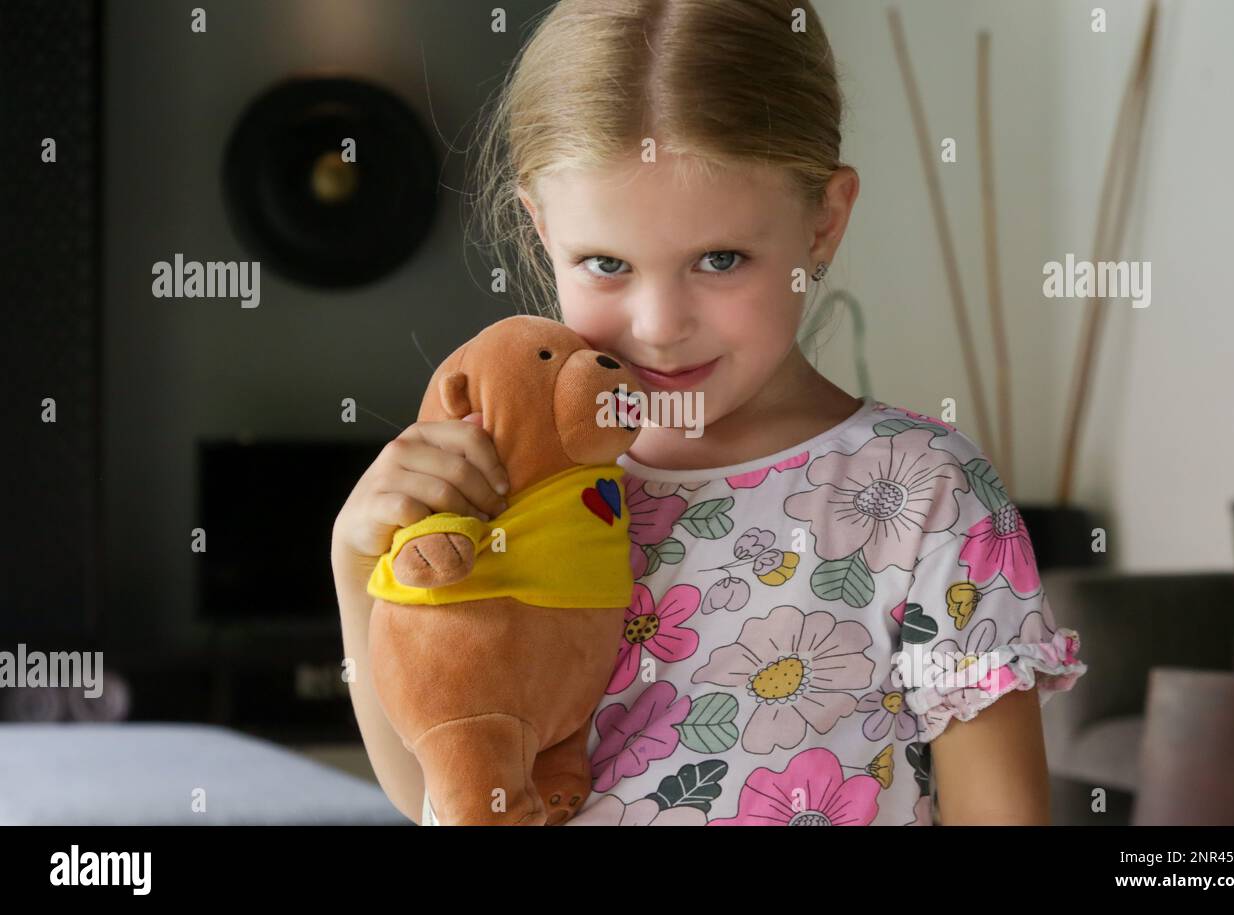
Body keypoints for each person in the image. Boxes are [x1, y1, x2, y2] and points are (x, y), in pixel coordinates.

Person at [332, 0, 1087, 826]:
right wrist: (354, 560)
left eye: (720, 259)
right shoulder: (500, 480)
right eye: (606, 263)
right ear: (542, 228)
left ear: (824, 221)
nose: (659, 325)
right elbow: (444, 787)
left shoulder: (927, 495)